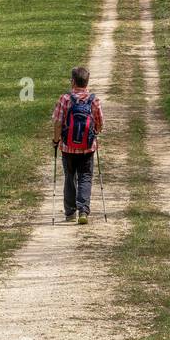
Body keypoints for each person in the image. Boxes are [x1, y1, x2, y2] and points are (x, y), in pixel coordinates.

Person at [52, 65, 103, 223]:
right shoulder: (93, 100)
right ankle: (83, 211)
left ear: (73, 81)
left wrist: (56, 140)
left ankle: (70, 213)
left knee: (69, 177)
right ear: (87, 82)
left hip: (67, 147)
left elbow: (58, 123)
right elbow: (100, 123)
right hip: (87, 147)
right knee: (85, 177)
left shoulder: (65, 99)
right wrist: (94, 133)